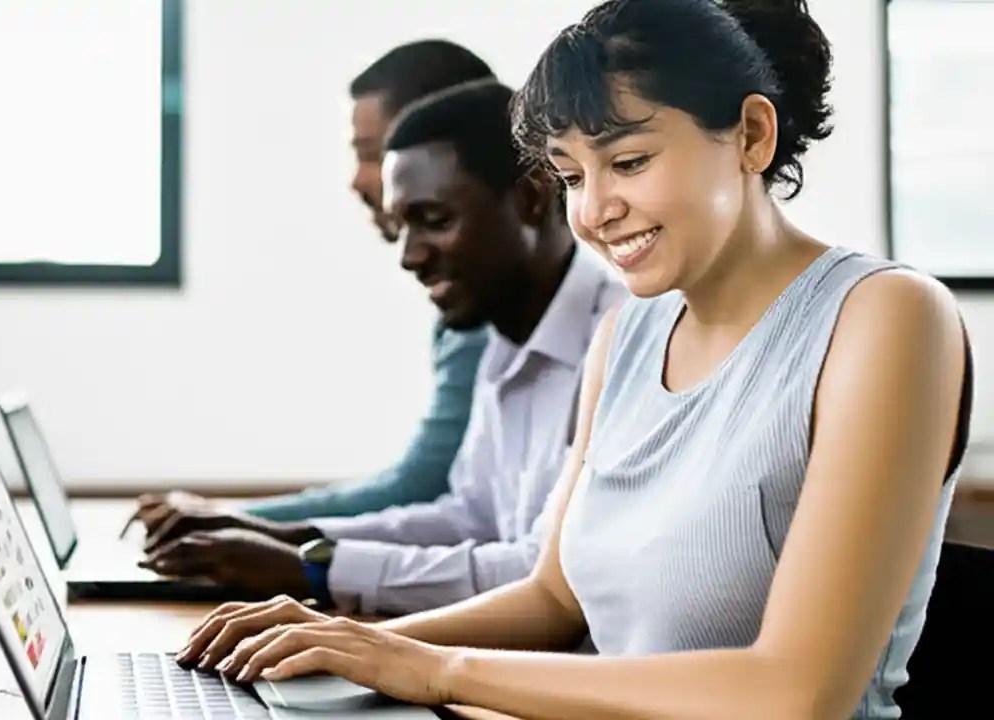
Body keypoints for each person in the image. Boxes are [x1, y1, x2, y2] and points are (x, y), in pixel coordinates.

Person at [169, 1, 973, 718]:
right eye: (569, 175)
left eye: (629, 162)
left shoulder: (886, 317)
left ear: (751, 136)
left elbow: (795, 692)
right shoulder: (625, 336)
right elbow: (555, 598)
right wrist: (351, 643)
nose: (594, 210)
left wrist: (433, 669)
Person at [139, 79, 626, 616]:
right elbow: (470, 516)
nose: (410, 256)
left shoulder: (623, 344)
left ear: (531, 199)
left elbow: (539, 574)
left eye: (435, 221)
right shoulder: (505, 338)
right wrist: (290, 537)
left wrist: (313, 567)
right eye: (400, 227)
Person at [127, 41, 495, 540]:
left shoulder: (491, 314)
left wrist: (239, 520)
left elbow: (422, 487)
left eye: (372, 155)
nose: (358, 181)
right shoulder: (463, 303)